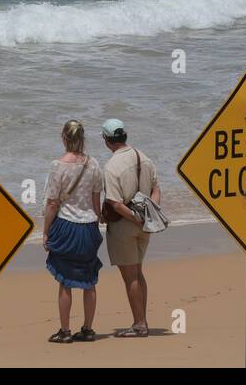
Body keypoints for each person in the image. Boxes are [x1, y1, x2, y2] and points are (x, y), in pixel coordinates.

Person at [42, 119, 104, 344]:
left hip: (66, 226)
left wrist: (46, 231)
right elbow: (97, 201)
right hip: (88, 227)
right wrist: (98, 220)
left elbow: (51, 203)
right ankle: (88, 329)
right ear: (83, 139)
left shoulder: (58, 165)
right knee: (90, 280)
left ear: (64, 138)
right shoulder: (94, 164)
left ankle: (65, 331)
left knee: (65, 281)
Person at [100, 118, 160, 337]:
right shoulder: (143, 157)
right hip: (145, 224)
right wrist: (149, 214)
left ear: (106, 140)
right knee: (138, 272)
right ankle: (142, 320)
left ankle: (139, 324)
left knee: (130, 277)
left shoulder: (111, 166)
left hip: (126, 226)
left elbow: (115, 203)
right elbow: (155, 189)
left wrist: (136, 219)